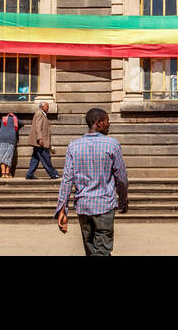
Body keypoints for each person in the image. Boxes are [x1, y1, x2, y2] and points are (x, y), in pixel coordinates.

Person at [55, 108, 128, 256]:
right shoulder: (112, 145)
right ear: (98, 123)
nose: (109, 124)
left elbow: (67, 179)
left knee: (91, 250)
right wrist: (123, 199)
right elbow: (122, 178)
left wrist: (62, 209)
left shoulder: (74, 146)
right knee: (102, 251)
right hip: (105, 205)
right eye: (107, 121)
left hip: (83, 207)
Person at [25, 101, 59, 180]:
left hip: (40, 141)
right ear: (42, 107)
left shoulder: (42, 114)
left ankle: (29, 174)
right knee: (46, 157)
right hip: (40, 142)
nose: (48, 108)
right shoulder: (39, 114)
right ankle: (53, 174)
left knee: (35, 159)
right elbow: (38, 127)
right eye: (47, 106)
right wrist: (40, 138)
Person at [0, 111, 20, 178]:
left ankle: (3, 173)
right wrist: (14, 117)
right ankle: (7, 173)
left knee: (1, 156)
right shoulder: (15, 119)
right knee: (8, 156)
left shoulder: (3, 118)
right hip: (11, 138)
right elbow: (22, 123)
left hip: (1, 138)